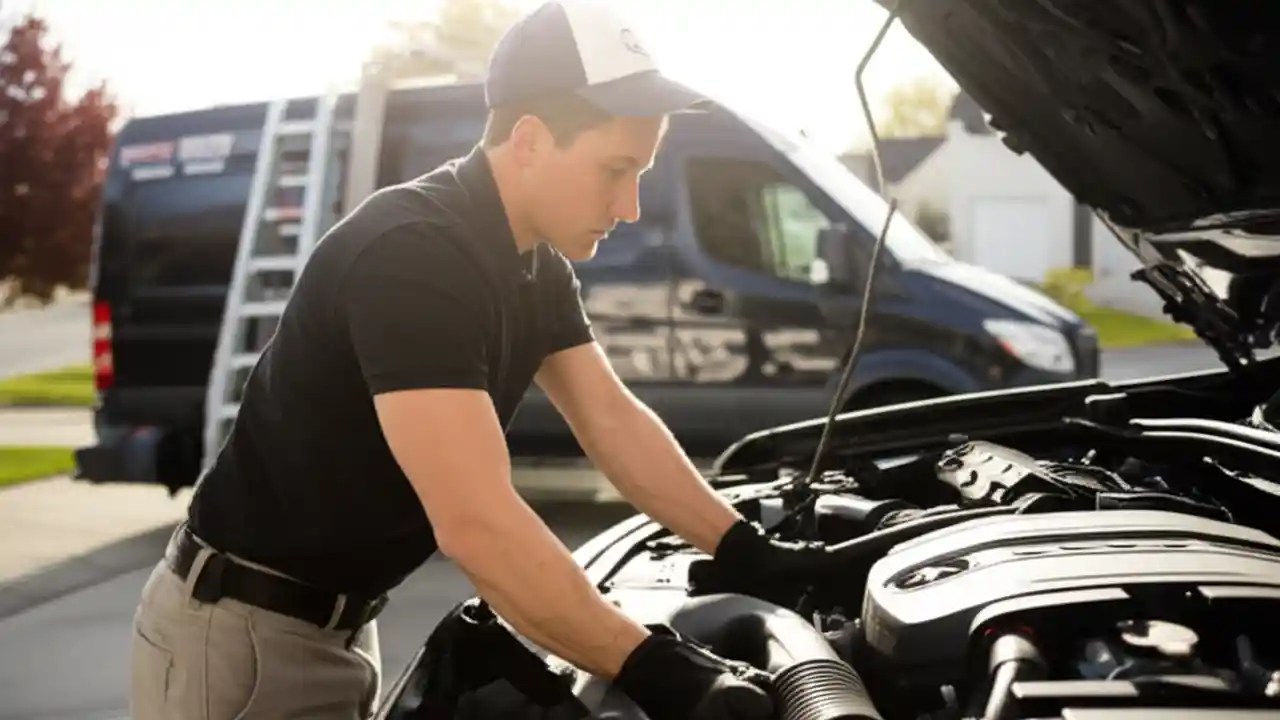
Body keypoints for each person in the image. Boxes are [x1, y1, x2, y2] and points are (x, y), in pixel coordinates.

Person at [129, 1, 837, 718]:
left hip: (335, 625)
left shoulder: (531, 265)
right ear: (529, 140)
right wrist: (657, 665)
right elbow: (476, 522)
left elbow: (612, 421)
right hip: (243, 637)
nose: (629, 205)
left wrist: (744, 548)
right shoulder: (414, 259)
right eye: (614, 170)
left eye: (641, 174)